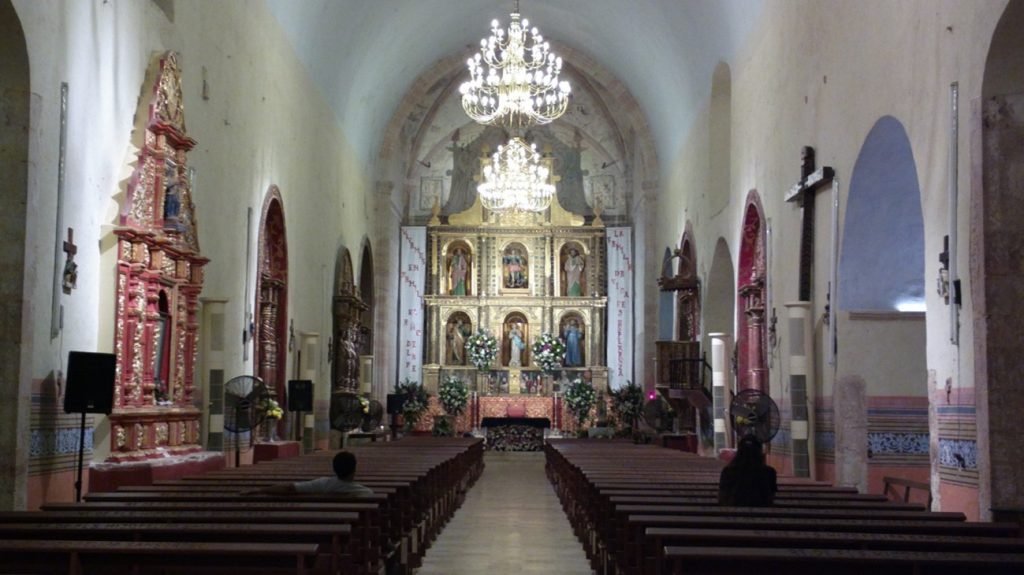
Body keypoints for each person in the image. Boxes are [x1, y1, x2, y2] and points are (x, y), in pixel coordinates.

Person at [243, 451, 374, 497]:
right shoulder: (365, 493)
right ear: (354, 470)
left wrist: (260, 490)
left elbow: (289, 488)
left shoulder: (322, 484)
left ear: (334, 468)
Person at [718, 434, 777, 506]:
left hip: (733, 513)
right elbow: (771, 496)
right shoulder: (769, 472)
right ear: (759, 452)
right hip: (762, 513)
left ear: (739, 452)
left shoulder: (727, 471)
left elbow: (722, 496)